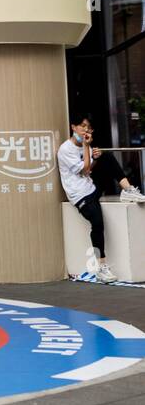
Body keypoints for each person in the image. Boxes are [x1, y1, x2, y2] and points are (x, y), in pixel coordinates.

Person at [58, 115, 137, 283]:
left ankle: (128, 189)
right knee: (98, 223)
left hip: (91, 187)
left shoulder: (85, 145)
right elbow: (84, 170)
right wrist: (88, 148)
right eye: (82, 126)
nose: (86, 130)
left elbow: (90, 168)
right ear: (73, 127)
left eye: (89, 127)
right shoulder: (65, 149)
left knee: (106, 157)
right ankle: (101, 267)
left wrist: (95, 155)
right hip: (80, 195)